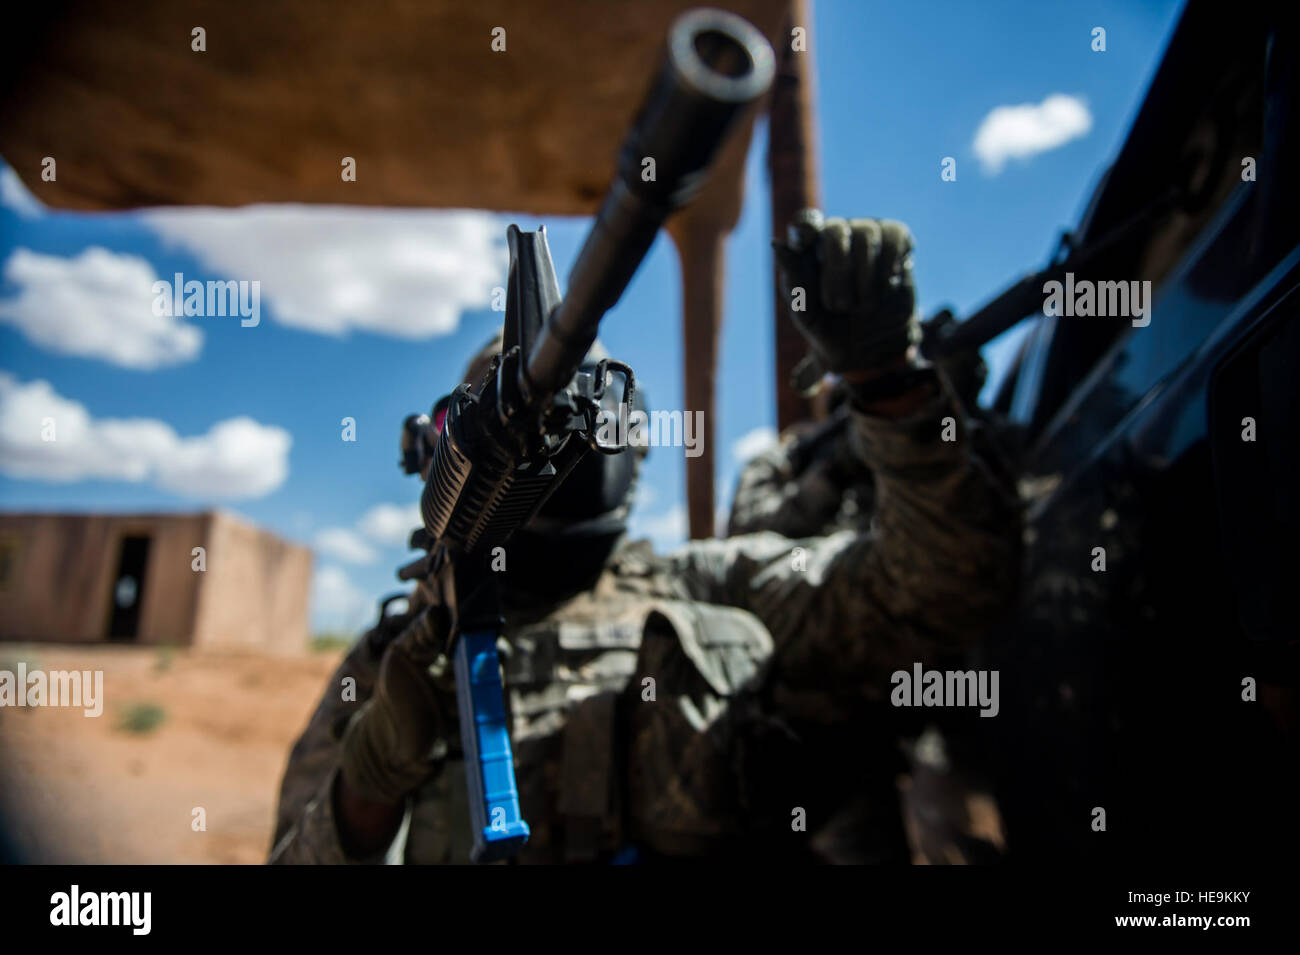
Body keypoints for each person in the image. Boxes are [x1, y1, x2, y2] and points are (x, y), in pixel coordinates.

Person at [268, 210, 1021, 863]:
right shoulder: (399, 664)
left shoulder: (720, 586)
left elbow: (946, 588)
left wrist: (889, 385)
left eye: (591, 418)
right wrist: (364, 796)